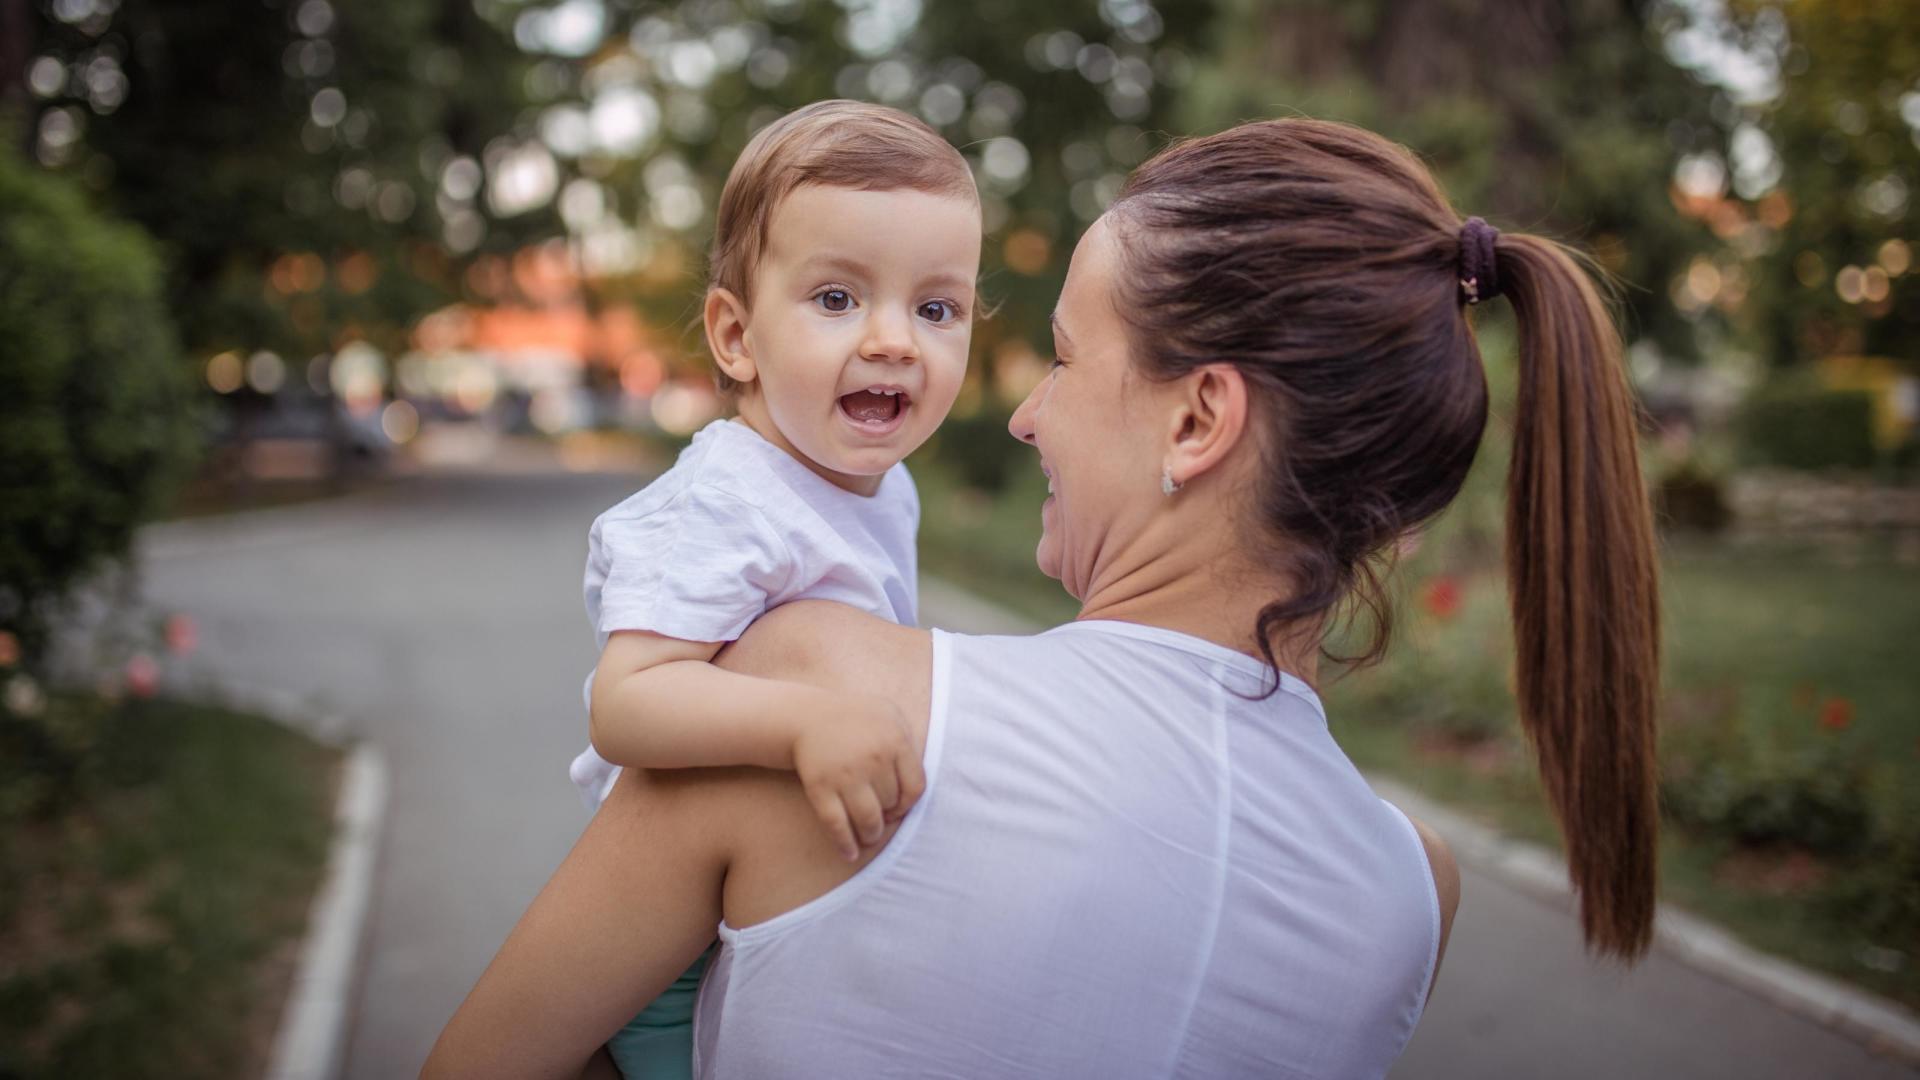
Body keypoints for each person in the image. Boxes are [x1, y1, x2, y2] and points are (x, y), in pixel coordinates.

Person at [428, 116, 1660, 1079]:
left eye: (1064, 359)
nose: (1021, 413)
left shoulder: (827, 690)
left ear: (1197, 419)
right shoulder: (1411, 893)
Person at [564, 100, 982, 1078]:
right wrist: (801, 724)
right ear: (736, 337)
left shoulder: (883, 485)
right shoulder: (731, 499)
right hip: (666, 938)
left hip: (771, 897)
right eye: (837, 299)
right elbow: (626, 705)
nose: (894, 340)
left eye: (936, 307)